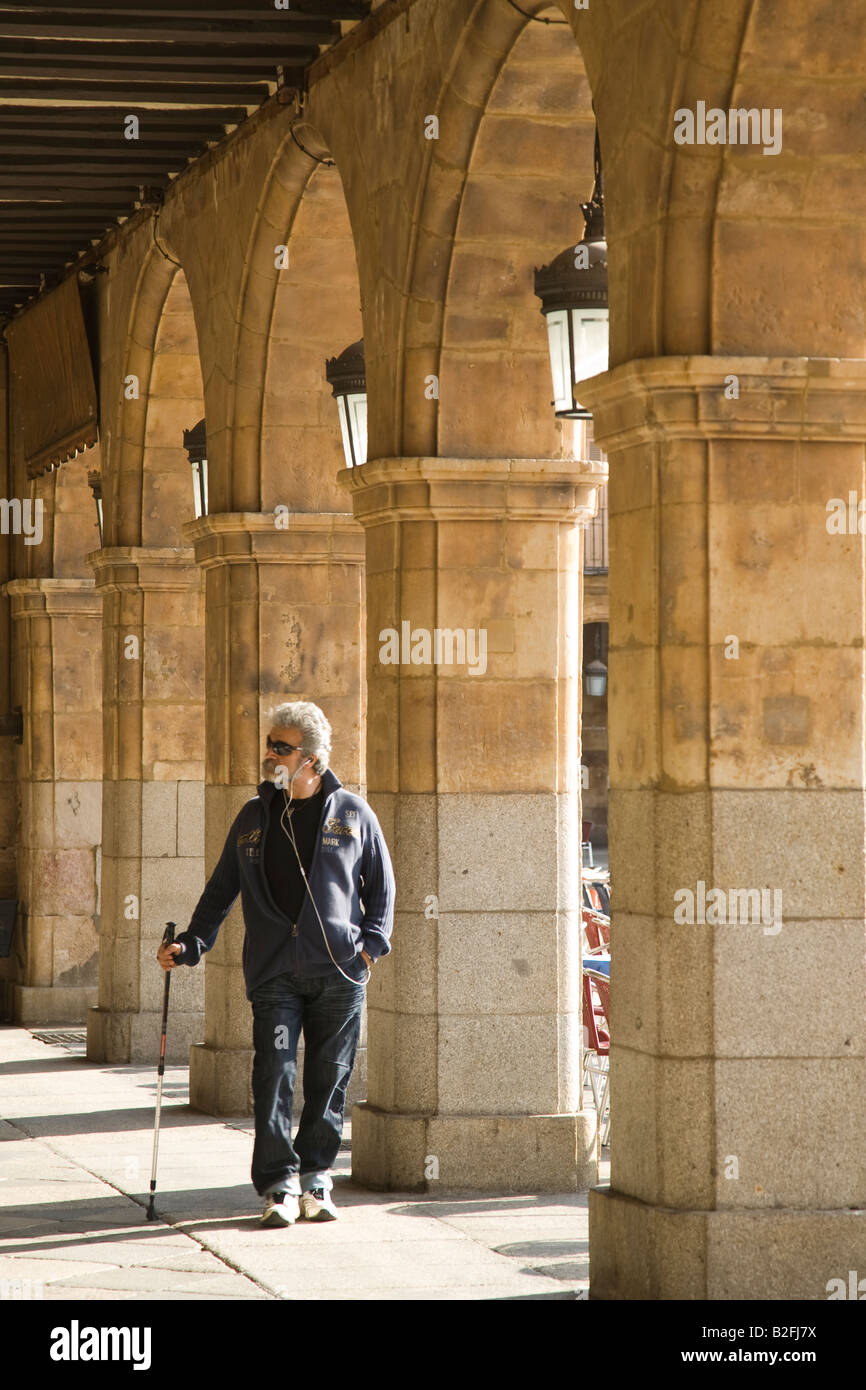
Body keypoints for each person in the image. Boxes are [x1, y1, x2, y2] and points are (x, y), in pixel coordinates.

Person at [157, 700, 395, 1228]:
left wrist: (369, 949)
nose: (270, 755)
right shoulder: (253, 816)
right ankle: (278, 1185)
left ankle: (317, 1177)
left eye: (281, 748)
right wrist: (191, 944)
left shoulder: (353, 813)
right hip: (274, 974)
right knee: (274, 1075)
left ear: (311, 758)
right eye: (269, 745)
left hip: (339, 973)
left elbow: (382, 887)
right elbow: (222, 888)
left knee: (330, 1079)